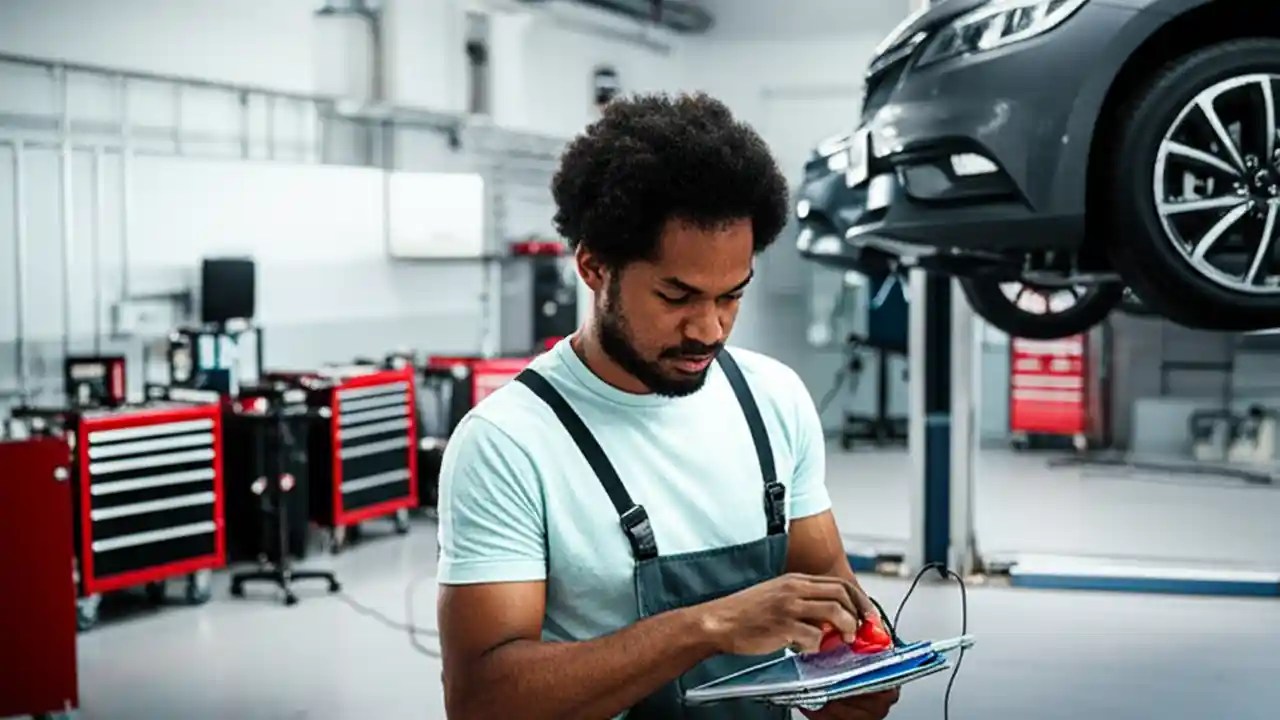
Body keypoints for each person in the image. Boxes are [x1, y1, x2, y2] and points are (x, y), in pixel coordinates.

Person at [435, 92, 900, 720]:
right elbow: (483, 701)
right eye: (676, 295)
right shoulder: (508, 442)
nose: (709, 329)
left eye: (731, 296)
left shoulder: (773, 401)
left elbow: (832, 601)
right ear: (594, 267)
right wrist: (705, 628)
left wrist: (857, 671)